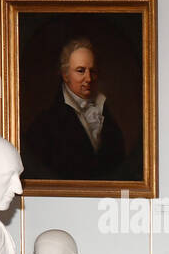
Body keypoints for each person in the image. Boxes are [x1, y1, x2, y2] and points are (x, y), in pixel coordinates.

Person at [21, 38, 139, 182]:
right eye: (80, 71)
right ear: (65, 75)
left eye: (92, 71)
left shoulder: (106, 116)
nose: (88, 78)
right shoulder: (45, 124)